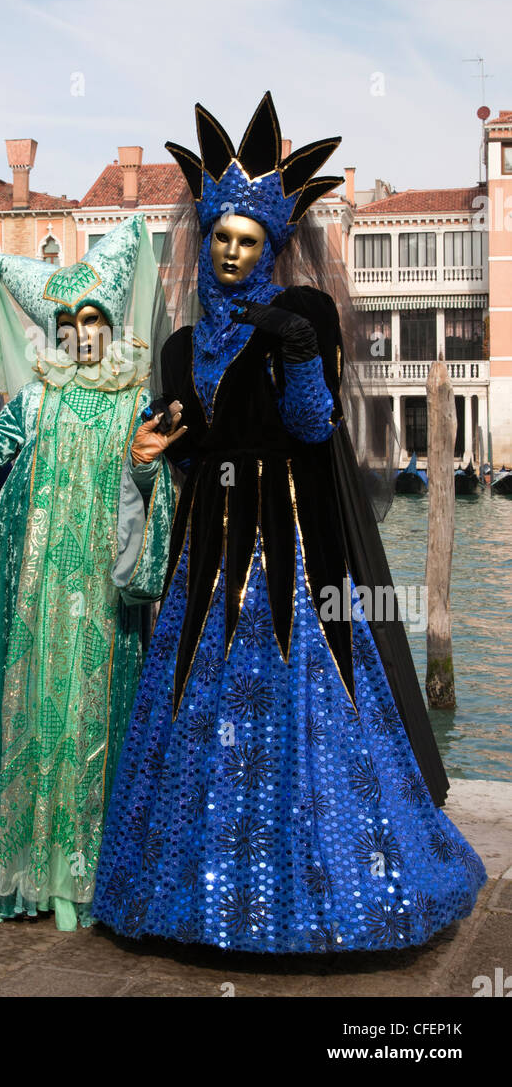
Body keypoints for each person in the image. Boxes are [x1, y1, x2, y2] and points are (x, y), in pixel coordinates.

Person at [93, 95, 486, 952]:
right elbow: (193, 448)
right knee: (200, 698)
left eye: (250, 240)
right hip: (207, 544)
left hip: (290, 538)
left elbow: (313, 428)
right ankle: (193, 900)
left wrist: (295, 348)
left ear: (272, 244)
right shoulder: (180, 346)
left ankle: (320, 892)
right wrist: (152, 453)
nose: (234, 253)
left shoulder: (304, 318)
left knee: (299, 696)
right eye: (222, 237)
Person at [0, 214, 178, 930]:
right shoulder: (39, 398)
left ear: (112, 322)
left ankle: (89, 876)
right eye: (69, 320)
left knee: (92, 720)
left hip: (104, 595)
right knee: (37, 719)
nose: (83, 333)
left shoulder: (136, 401)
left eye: (94, 317)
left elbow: (152, 481)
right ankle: (33, 871)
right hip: (34, 593)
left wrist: (145, 467)